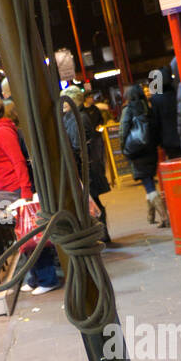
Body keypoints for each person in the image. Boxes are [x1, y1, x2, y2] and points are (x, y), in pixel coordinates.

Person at [0, 95, 58, 294]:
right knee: (20, 236)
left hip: (13, 191)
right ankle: (35, 277)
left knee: (30, 233)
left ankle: (47, 279)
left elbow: (18, 162)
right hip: (5, 193)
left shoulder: (2, 132)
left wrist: (26, 191)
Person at [62, 85, 112, 245]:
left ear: (73, 101)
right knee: (93, 203)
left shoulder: (77, 118)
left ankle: (102, 234)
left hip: (86, 170)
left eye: (65, 101)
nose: (62, 104)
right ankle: (101, 234)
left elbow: (78, 145)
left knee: (93, 203)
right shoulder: (75, 117)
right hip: (87, 168)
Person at [119, 83, 168, 227]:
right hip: (150, 150)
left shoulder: (128, 110)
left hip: (136, 151)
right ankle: (150, 216)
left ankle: (165, 217)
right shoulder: (148, 107)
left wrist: (124, 148)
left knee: (149, 184)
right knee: (148, 181)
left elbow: (123, 130)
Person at [149, 65, 181, 159]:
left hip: (168, 141)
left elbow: (155, 123)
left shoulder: (155, 99)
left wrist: (157, 141)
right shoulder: (178, 93)